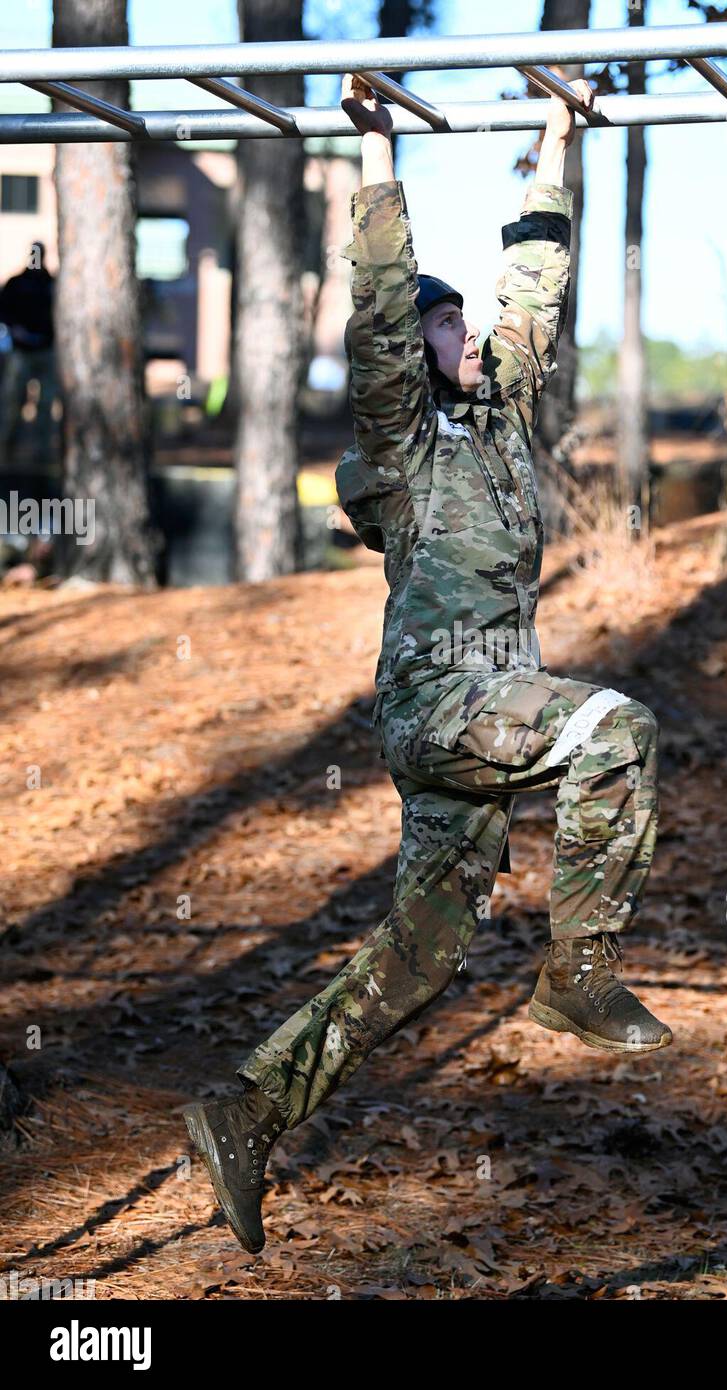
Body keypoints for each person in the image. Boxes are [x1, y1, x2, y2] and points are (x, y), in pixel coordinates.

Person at [183, 73, 672, 1255]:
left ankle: (243, 1108)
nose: (461, 337)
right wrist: (380, 149)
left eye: (459, 326)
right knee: (618, 727)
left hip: (477, 733)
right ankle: (578, 968)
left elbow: (532, 301)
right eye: (446, 327)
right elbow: (384, 307)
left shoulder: (496, 418)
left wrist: (552, 138)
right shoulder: (402, 442)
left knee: (419, 958)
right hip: (443, 704)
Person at [0, 243, 56, 469]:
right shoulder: (17, 284)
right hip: (21, 351)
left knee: (45, 404)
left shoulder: (50, 284)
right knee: (12, 403)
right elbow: (3, 311)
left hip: (46, 351)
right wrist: (16, 331)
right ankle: (6, 455)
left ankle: (40, 458)